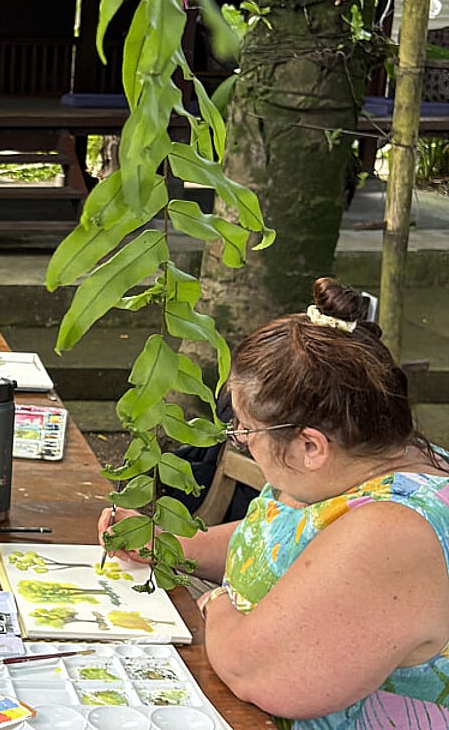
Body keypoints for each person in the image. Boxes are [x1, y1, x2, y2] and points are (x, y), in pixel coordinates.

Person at [100, 277, 449, 728]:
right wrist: (167, 545)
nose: (240, 439)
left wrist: (219, 602)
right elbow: (274, 540)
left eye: (246, 428)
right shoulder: (352, 463)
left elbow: (255, 671)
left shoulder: (391, 531)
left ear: (310, 445)